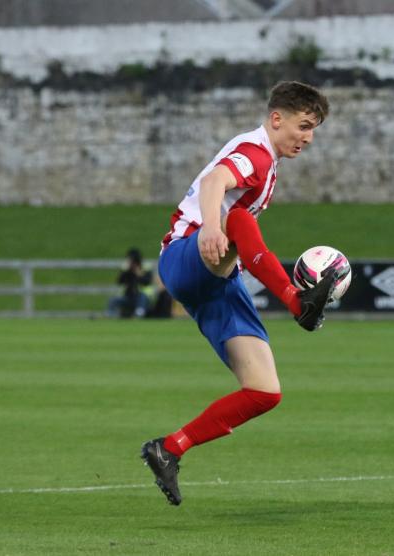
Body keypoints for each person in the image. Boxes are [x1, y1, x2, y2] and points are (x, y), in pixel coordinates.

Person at [140, 81, 338, 506]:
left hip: (218, 280)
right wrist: (213, 226)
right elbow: (215, 181)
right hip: (186, 255)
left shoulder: (268, 161)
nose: (308, 137)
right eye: (304, 126)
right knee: (240, 221)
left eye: (314, 129)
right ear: (276, 119)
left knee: (264, 391)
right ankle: (296, 301)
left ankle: (169, 448)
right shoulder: (257, 152)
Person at [107, 247, 152, 318]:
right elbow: (119, 282)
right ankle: (110, 315)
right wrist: (126, 271)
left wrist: (138, 274)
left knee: (142, 298)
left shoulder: (145, 268)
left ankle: (138, 315)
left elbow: (147, 282)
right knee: (113, 300)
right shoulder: (126, 269)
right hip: (128, 296)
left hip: (142, 296)